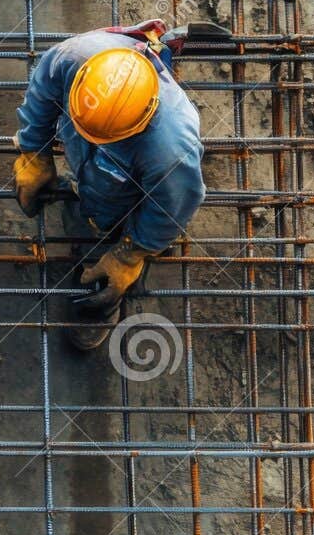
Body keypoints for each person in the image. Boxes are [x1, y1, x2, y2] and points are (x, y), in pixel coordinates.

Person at [12, 18, 211, 349]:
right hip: (89, 165)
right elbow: (43, 91)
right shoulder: (77, 57)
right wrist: (35, 153)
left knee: (119, 224)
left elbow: (173, 207)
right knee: (87, 207)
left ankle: (109, 282)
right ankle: (88, 219)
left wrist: (130, 255)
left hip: (125, 191)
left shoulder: (170, 150)